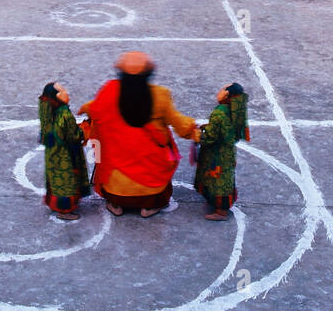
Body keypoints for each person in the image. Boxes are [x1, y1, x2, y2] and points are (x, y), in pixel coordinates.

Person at [79, 50, 195, 218]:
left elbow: (94, 108)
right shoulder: (161, 95)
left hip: (116, 185)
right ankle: (148, 208)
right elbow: (180, 125)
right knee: (158, 176)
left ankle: (115, 204)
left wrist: (84, 110)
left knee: (109, 159)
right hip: (151, 181)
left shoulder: (109, 91)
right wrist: (194, 129)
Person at [187, 82, 248, 221]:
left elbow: (210, 136)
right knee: (224, 179)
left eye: (223, 89)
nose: (219, 91)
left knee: (217, 180)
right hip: (228, 152)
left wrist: (197, 134)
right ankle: (217, 204)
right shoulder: (237, 109)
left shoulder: (219, 112)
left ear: (227, 94)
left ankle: (221, 211)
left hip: (216, 153)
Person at [38, 81, 90, 219]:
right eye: (62, 91)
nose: (66, 92)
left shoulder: (45, 108)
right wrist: (85, 128)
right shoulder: (64, 115)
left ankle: (55, 203)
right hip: (66, 154)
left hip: (52, 152)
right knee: (67, 181)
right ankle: (64, 211)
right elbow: (74, 135)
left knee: (56, 179)